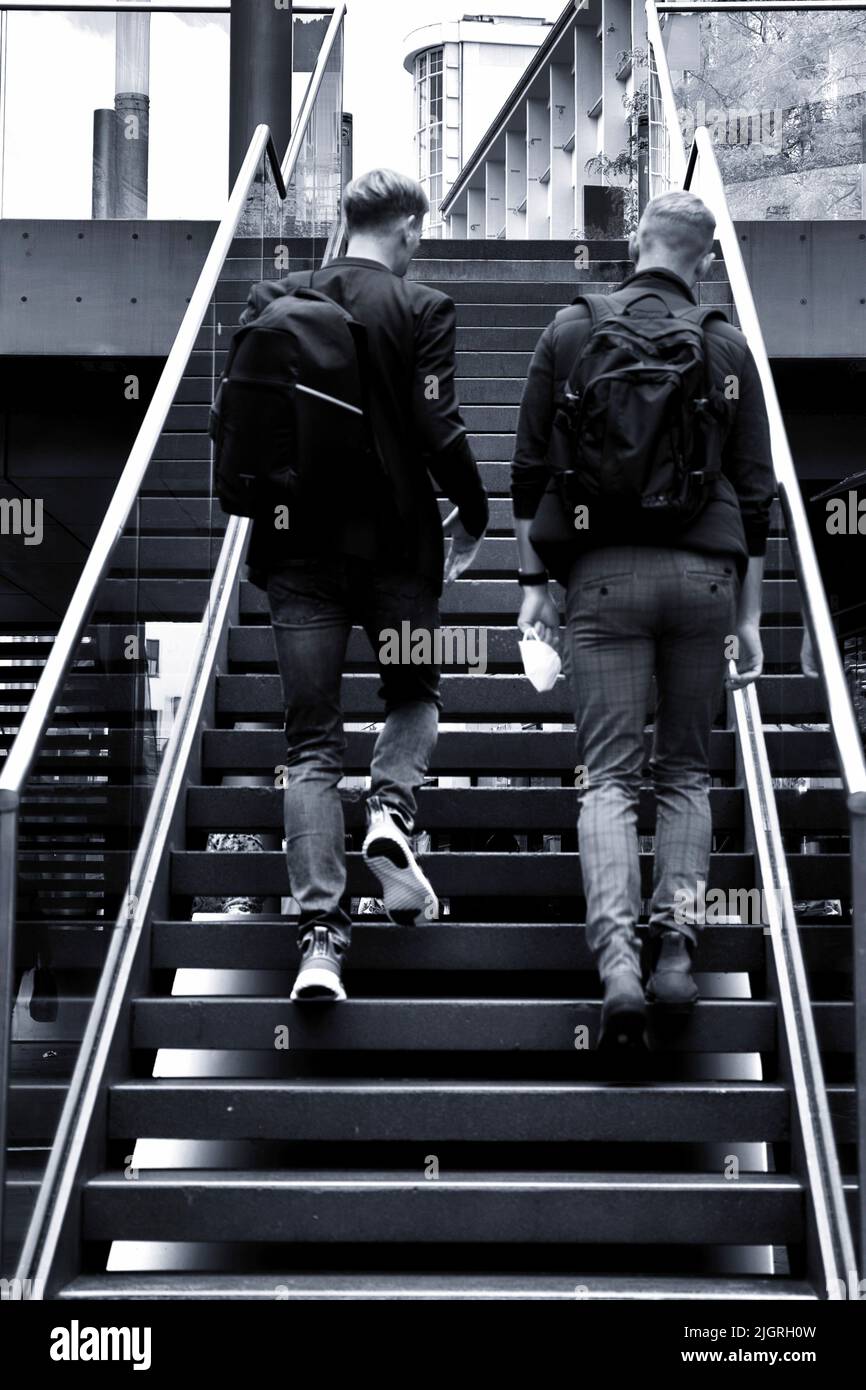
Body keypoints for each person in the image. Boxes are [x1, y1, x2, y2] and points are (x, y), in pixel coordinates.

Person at [511, 190, 775, 1047]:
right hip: (704, 577)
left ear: (638, 243)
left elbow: (526, 469)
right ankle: (677, 953)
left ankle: (618, 966)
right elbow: (756, 490)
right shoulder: (725, 343)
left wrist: (533, 582)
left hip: (601, 579)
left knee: (610, 778)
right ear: (705, 259)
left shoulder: (572, 330)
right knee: (688, 775)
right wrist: (751, 615)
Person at [241, 168, 489, 1001]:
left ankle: (319, 941)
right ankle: (390, 812)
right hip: (398, 549)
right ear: (410, 231)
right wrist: (478, 509)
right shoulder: (421, 309)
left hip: (296, 548)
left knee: (309, 744)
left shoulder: (276, 299)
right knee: (413, 692)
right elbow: (434, 420)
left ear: (347, 224)